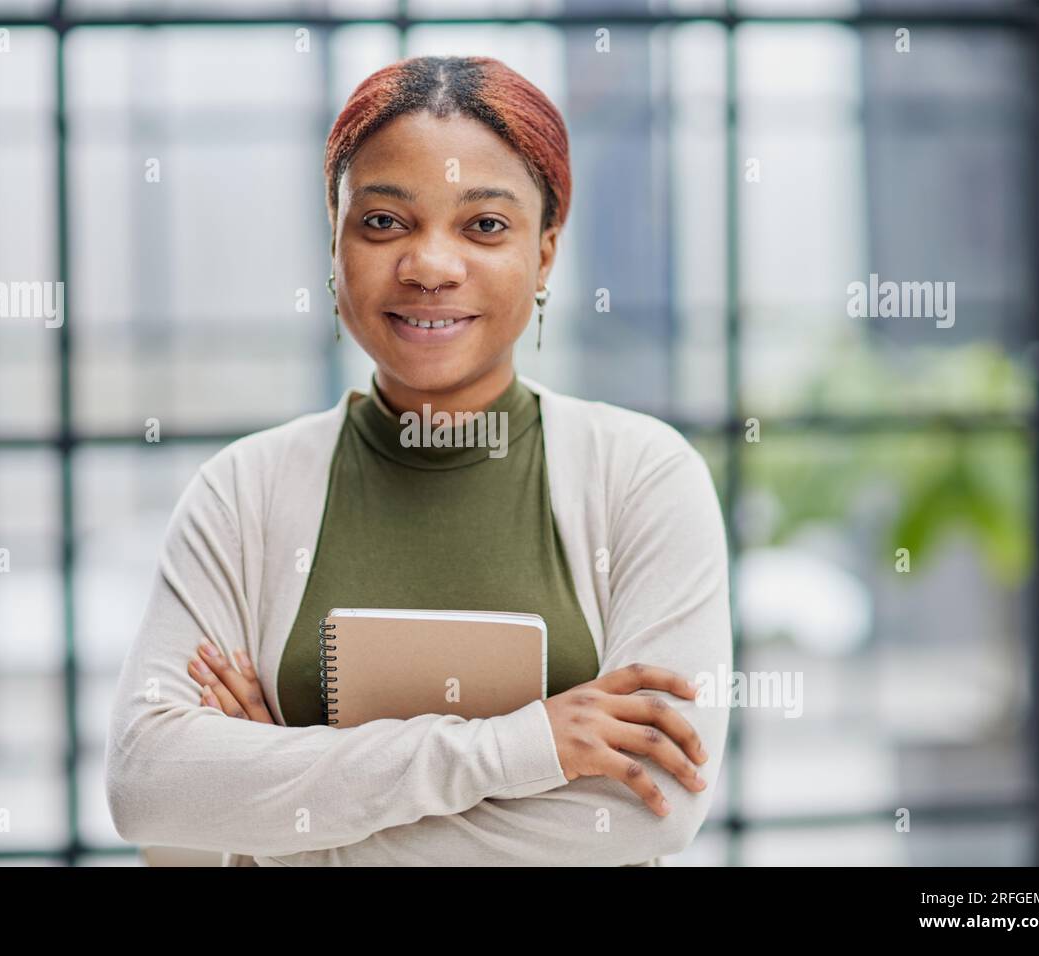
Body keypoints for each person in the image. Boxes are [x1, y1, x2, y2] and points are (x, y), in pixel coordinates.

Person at [105, 54, 732, 867]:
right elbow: (150, 787)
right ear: (333, 247)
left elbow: (646, 810)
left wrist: (287, 825)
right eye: (383, 222)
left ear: (545, 254)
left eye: (485, 226)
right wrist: (525, 748)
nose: (430, 266)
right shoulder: (243, 493)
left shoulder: (643, 477)